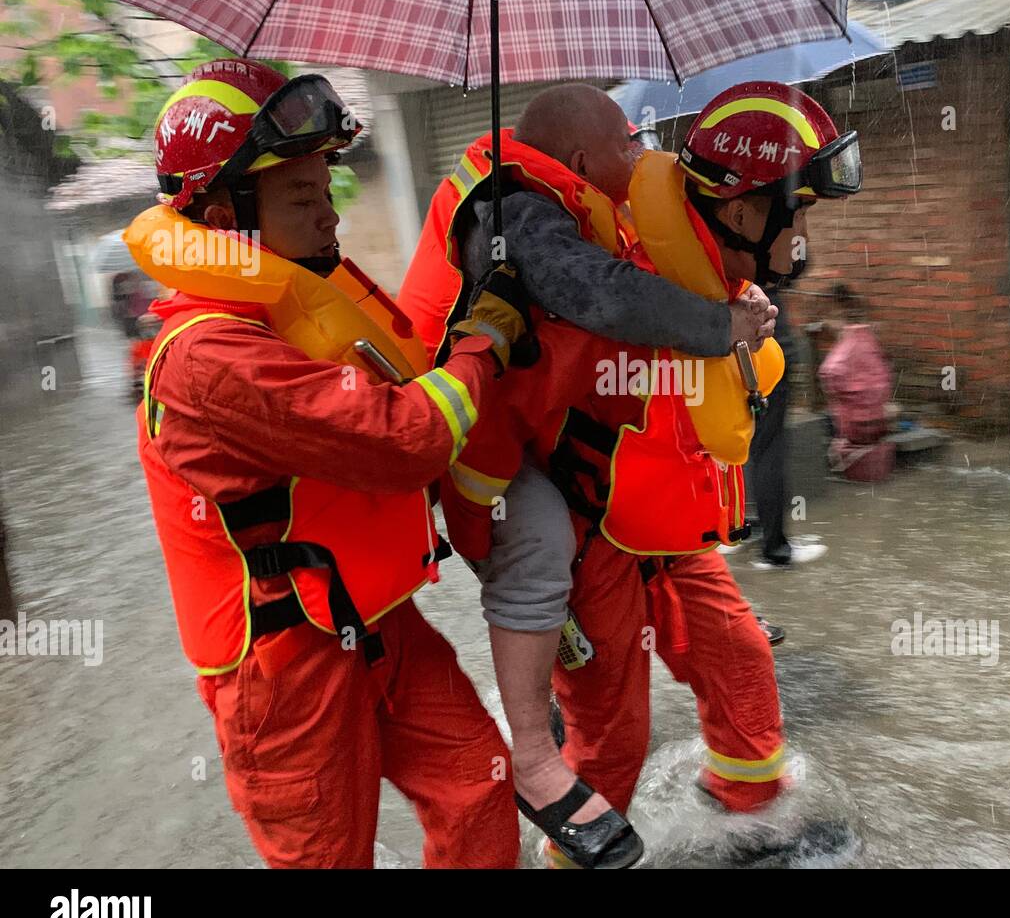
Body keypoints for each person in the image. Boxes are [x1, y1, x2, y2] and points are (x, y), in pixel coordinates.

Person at [402, 81, 860, 864]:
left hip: (661, 522)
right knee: (614, 735)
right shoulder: (558, 239)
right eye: (803, 211)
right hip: (584, 528)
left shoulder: (680, 247)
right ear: (750, 210)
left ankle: (747, 823)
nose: (807, 235)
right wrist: (721, 327)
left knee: (740, 659)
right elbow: (595, 302)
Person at [129, 60, 526, 869]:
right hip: (284, 672)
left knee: (477, 787)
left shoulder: (290, 313)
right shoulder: (211, 353)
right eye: (302, 200)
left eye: (326, 192)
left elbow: (401, 387)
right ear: (221, 215)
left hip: (370, 618)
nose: (329, 220)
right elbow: (403, 437)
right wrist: (487, 342)